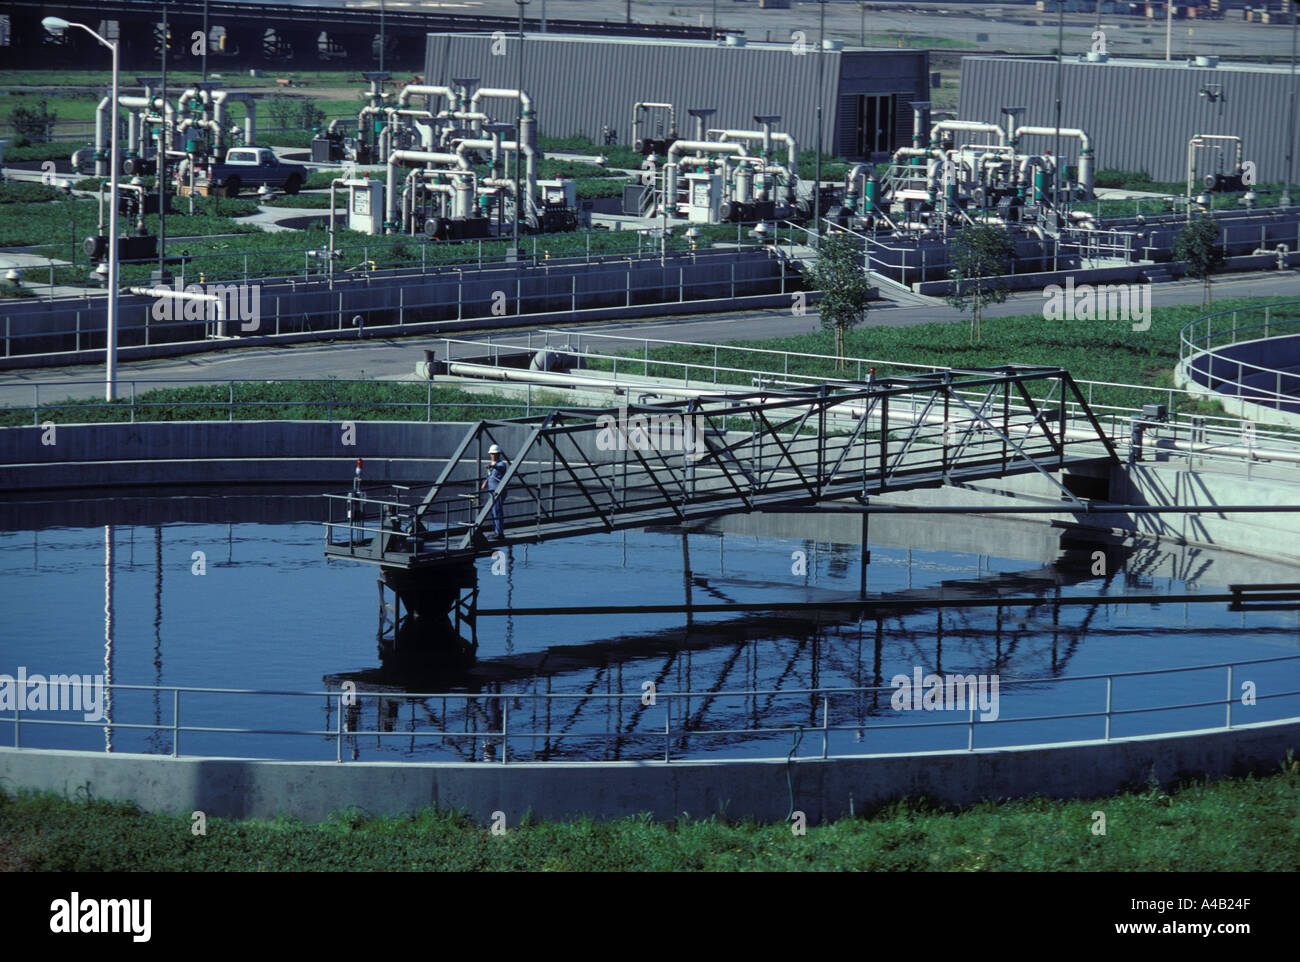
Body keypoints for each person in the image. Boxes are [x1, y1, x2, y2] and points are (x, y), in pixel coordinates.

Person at [480, 444, 509, 539]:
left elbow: (500, 468)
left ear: (498, 454)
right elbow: (490, 475)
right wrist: (485, 482)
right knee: (493, 511)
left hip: (498, 491)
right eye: (491, 454)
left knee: (497, 511)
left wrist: (493, 466)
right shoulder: (492, 464)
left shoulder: (501, 464)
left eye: (494, 454)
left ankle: (500, 533)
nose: (492, 455)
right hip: (491, 491)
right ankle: (496, 531)